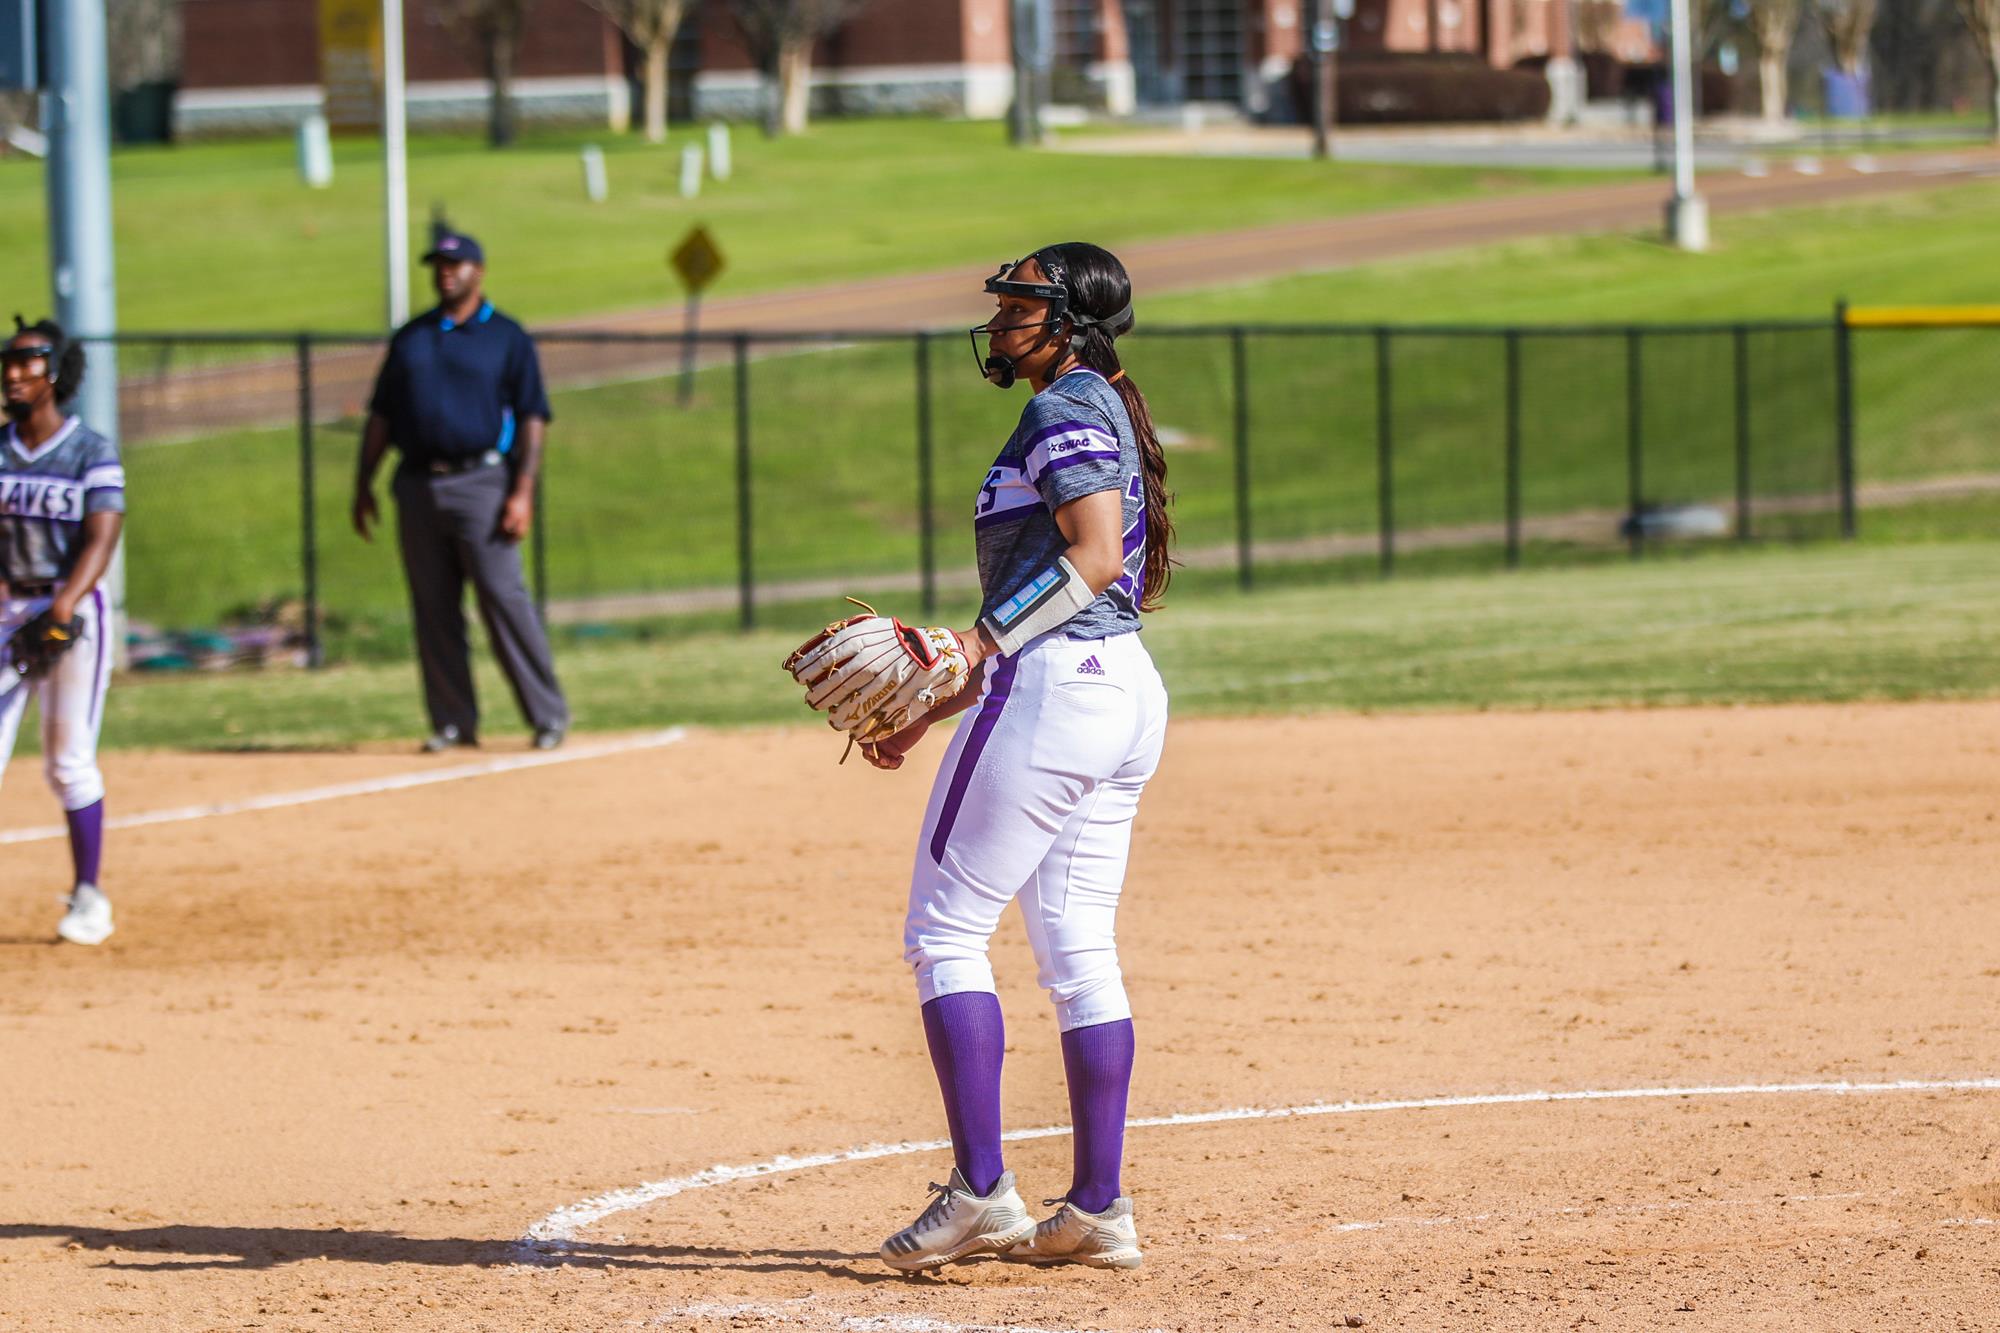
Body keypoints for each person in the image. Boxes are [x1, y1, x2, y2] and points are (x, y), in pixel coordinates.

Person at [864, 243, 1175, 1272]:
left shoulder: (1059, 408)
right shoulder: (1099, 402)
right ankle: (1095, 1208)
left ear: (1066, 323)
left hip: (1054, 690)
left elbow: (1089, 560)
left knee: (943, 931)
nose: (998, 323)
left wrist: (975, 647)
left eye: (1016, 308)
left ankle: (980, 1192)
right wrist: (927, 701)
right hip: (1116, 687)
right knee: (1077, 947)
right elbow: (1085, 585)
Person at [352, 230, 568, 753]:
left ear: (479, 270)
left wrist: (522, 492)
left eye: (455, 264)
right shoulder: (412, 338)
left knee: (503, 599)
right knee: (433, 608)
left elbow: (533, 418)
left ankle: (547, 716)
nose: (445, 272)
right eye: (438, 266)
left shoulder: (507, 337)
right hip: (418, 483)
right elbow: (381, 415)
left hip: (483, 484)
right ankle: (452, 721)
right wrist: (364, 483)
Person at [0, 317, 124, 945]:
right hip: (3, 613)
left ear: (56, 373)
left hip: (69, 616)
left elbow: (102, 535)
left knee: (67, 761)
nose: (15, 373)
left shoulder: (89, 451)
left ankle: (89, 896)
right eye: (10, 362)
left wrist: (63, 606)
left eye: (29, 362)